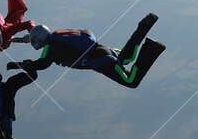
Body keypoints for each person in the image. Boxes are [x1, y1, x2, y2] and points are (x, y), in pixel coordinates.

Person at [10, 14, 164, 88]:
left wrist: (20, 65)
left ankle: (152, 48)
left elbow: (42, 64)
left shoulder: (52, 49)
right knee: (126, 58)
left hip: (101, 62)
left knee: (131, 81)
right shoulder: (57, 35)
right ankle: (144, 27)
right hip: (103, 50)